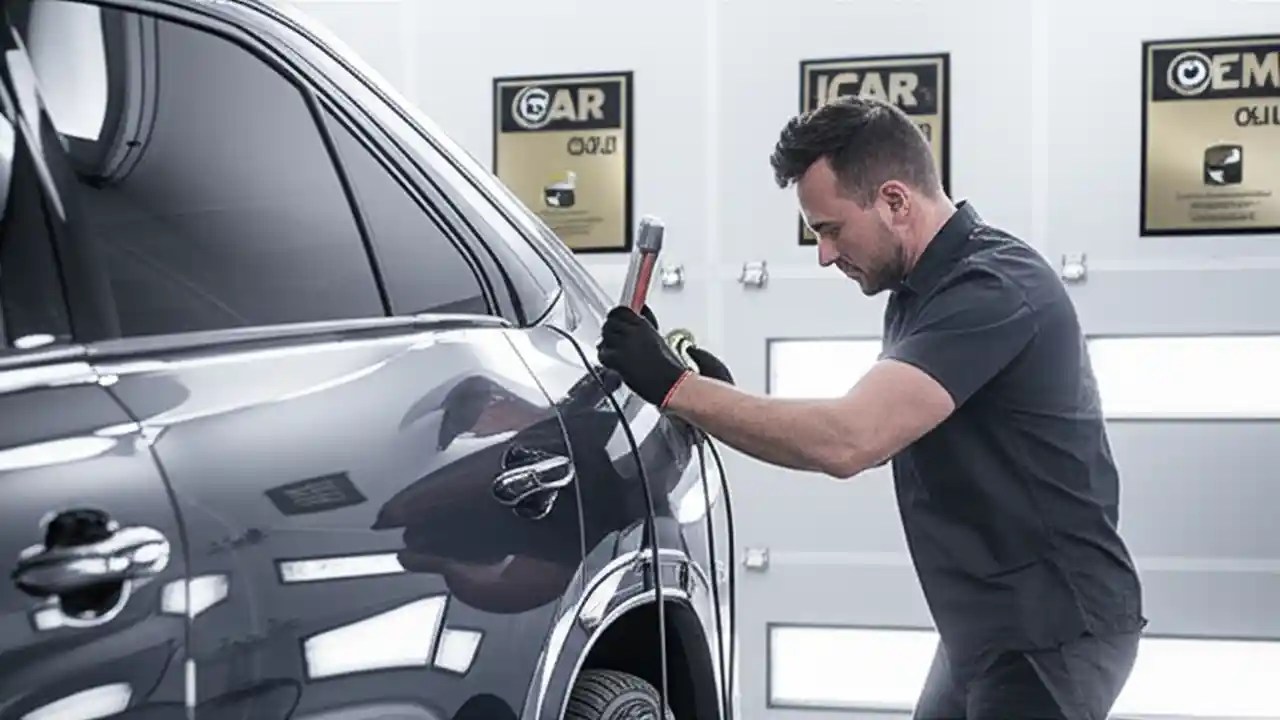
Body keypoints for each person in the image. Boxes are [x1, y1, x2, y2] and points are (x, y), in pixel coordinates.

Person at [596, 95, 1146, 719]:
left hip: (1051, 632)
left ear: (894, 201)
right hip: (984, 628)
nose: (825, 254)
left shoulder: (991, 288)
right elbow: (880, 422)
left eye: (831, 229)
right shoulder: (920, 293)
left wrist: (674, 388)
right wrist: (712, 396)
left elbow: (849, 440)